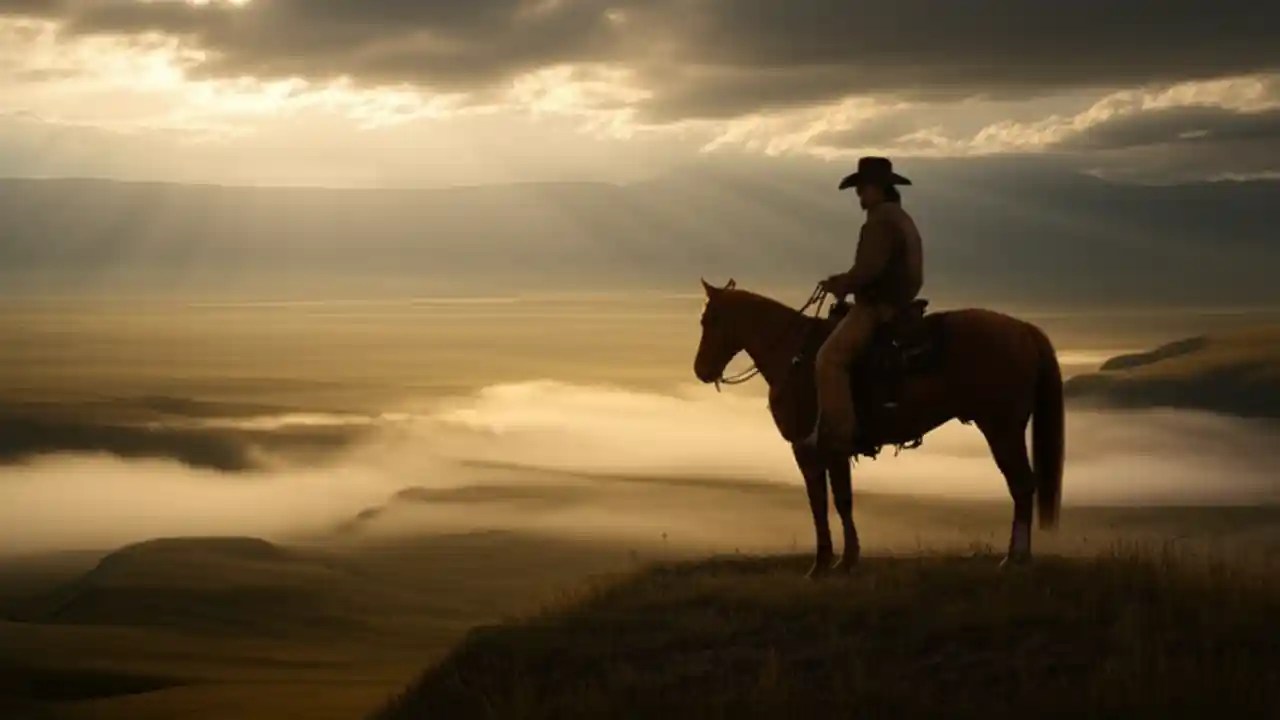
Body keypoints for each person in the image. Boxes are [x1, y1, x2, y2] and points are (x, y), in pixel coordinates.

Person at [811, 156, 924, 454]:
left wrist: (841, 284)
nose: (859, 194)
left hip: (879, 305)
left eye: (863, 188)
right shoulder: (900, 217)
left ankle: (841, 435)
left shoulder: (880, 221)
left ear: (878, 188)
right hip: (899, 300)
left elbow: (868, 270)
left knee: (828, 360)